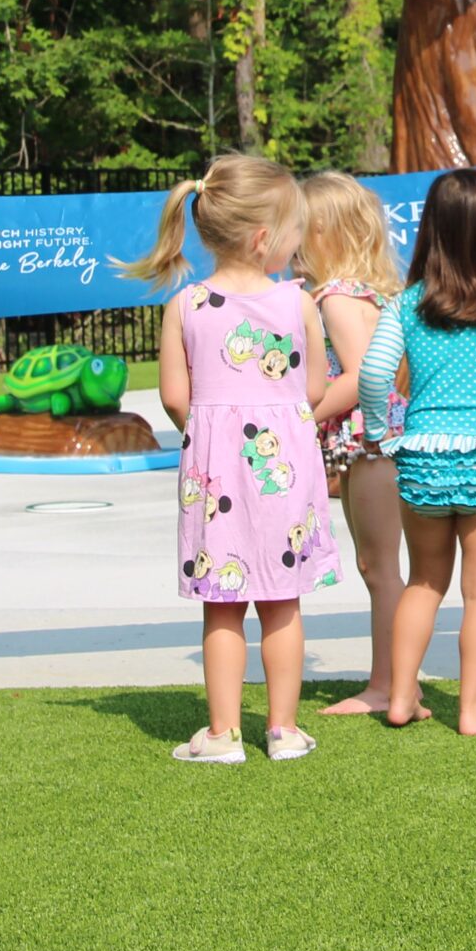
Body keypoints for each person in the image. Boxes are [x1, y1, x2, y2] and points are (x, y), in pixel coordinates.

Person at [132, 154, 341, 763]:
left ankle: (223, 735)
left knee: (221, 607)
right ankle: (284, 730)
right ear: (262, 237)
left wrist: (211, 435)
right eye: (295, 229)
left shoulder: (185, 306)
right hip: (285, 472)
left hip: (213, 476)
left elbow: (175, 397)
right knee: (282, 600)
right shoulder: (299, 304)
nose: (299, 242)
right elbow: (314, 389)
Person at [357, 168, 476, 735]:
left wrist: (377, 428)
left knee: (423, 582)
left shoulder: (406, 305)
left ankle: (399, 699)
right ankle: (473, 712)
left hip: (420, 458)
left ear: (432, 232)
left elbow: (373, 373)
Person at [297, 171, 409, 717]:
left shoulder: (336, 298)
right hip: (375, 445)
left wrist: (299, 417)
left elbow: (364, 375)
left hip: (372, 446)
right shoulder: (369, 294)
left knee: (379, 568)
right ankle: (394, 682)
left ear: (323, 232)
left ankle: (388, 686)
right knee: (380, 566)